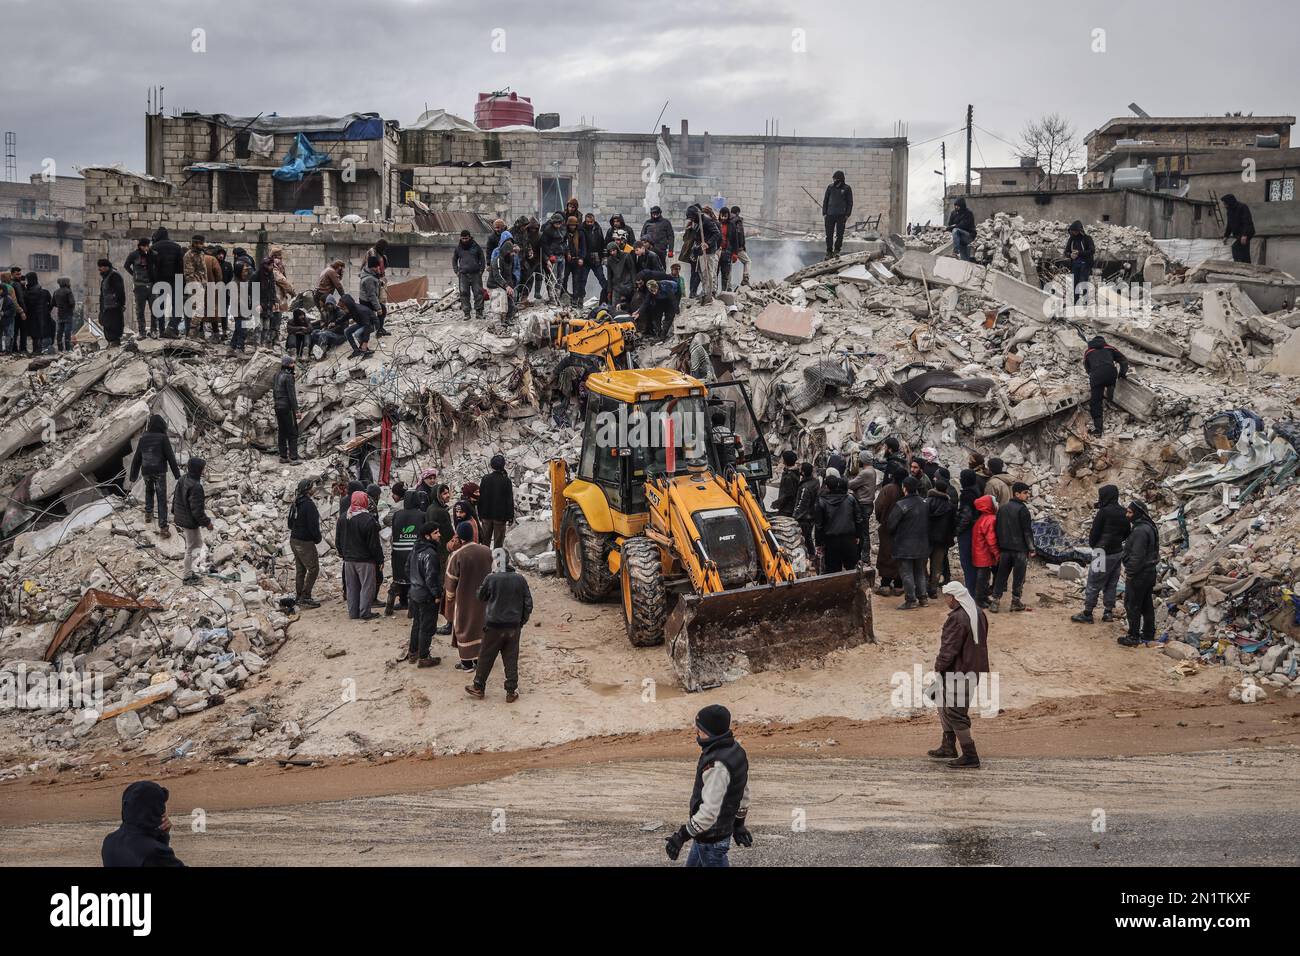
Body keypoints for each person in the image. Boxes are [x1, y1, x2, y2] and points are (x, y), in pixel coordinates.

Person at [663, 704, 752, 868]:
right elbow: (743, 792)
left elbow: (709, 813)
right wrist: (739, 823)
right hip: (706, 835)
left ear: (710, 732)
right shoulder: (735, 750)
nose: (696, 732)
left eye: (700, 728)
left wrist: (681, 836)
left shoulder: (717, 766)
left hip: (711, 840)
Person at [928, 582, 990, 769]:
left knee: (955, 712)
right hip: (972, 669)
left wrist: (938, 667)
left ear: (954, 598)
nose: (945, 600)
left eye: (946, 597)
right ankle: (948, 746)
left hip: (958, 672)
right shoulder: (978, 613)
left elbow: (949, 648)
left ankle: (970, 755)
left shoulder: (957, 618)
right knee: (942, 701)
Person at [466, 547, 533, 701]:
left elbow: (481, 597)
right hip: (513, 626)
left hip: (493, 626)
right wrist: (521, 621)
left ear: (496, 562)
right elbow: (528, 603)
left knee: (486, 656)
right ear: (508, 561)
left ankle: (478, 687)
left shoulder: (491, 578)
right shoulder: (520, 579)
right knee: (511, 658)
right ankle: (511, 692)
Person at [1070, 484, 1130, 625]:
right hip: (1117, 552)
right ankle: (1108, 612)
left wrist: (1095, 546)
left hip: (1101, 552)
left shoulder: (1103, 512)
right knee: (1111, 583)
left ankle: (1088, 613)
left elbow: (1094, 534)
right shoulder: (1123, 512)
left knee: (1094, 583)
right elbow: (1127, 532)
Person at [101, 781, 184, 867]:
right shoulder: (154, 852)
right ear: (155, 809)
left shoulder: (109, 841)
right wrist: (162, 838)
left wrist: (161, 835)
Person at [445, 520, 492, 671]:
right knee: (481, 627)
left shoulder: (457, 555)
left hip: (464, 599)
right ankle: (480, 661)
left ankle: (466, 663)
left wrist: (450, 598)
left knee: (464, 628)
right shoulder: (486, 551)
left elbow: (451, 581)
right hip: (485, 599)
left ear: (460, 537)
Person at [129, 414, 181, 537]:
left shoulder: (143, 438)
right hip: (159, 471)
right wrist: (177, 475)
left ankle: (148, 514)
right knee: (161, 498)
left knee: (149, 491)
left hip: (146, 471)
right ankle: (163, 527)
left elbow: (137, 458)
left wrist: (133, 476)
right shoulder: (162, 438)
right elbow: (170, 457)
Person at [337, 490, 383, 619]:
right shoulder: (368, 520)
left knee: (352, 587)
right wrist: (379, 560)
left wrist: (343, 553)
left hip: (348, 560)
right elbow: (374, 544)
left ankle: (353, 612)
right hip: (365, 560)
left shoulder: (343, 517)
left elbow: (338, 539)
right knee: (367, 586)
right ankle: (365, 612)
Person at [1119, 500, 1159, 647]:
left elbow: (1137, 556)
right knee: (1146, 604)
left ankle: (1133, 636)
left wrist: (1130, 573)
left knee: (1132, 604)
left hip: (1139, 574)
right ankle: (1148, 633)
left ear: (1137, 514)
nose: (1127, 515)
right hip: (1149, 573)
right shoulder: (1148, 527)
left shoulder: (1140, 531)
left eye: (1130, 512)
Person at [989, 482, 1034, 613]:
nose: (1027, 495)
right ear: (1016, 494)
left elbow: (997, 529)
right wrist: (1031, 548)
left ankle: (995, 602)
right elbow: (1027, 531)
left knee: (1001, 576)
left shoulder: (1002, 508)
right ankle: (1015, 601)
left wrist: (999, 545)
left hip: (1005, 549)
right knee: (1019, 576)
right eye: (1025, 493)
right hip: (1020, 550)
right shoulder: (1023, 509)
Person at [404, 520, 444, 667]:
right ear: (427, 536)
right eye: (436, 533)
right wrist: (437, 595)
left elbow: (407, 568)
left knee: (417, 624)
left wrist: (415, 583)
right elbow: (431, 577)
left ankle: (413, 652)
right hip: (426, 596)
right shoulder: (430, 554)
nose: (439, 535)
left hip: (414, 593)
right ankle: (424, 657)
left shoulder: (416, 548)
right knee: (427, 627)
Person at [888, 475, 931, 610]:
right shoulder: (925, 503)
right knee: (920, 572)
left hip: (904, 545)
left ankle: (911, 600)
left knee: (907, 573)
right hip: (923, 544)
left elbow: (890, 525)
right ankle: (923, 598)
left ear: (904, 488)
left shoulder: (901, 505)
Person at [172, 457, 212, 584]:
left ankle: (191, 570)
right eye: (203, 469)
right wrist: (207, 523)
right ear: (198, 470)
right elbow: (197, 511)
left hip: (183, 517)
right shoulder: (196, 486)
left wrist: (175, 512)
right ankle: (187, 576)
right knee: (191, 548)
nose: (204, 471)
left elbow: (175, 497)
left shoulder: (184, 478)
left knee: (198, 544)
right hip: (189, 521)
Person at [814, 472, 862, 573]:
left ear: (827, 487)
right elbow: (858, 518)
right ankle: (852, 588)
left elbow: (819, 525)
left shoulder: (822, 501)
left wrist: (818, 543)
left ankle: (838, 588)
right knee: (852, 568)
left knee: (833, 570)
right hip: (849, 538)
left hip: (831, 541)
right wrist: (858, 535)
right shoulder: (850, 498)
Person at [386, 490, 423, 616]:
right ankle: (411, 611)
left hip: (397, 552)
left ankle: (391, 603)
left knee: (398, 579)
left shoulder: (397, 514)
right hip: (414, 552)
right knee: (414, 581)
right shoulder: (422, 515)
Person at [1083, 335, 1128, 436]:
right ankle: (1110, 397)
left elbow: (1087, 368)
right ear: (1103, 341)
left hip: (1096, 376)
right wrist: (1122, 374)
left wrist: (1093, 374)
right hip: (1110, 373)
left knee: (1095, 402)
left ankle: (1098, 430)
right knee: (1110, 381)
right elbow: (1123, 360)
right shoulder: (1109, 348)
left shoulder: (1088, 352)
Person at [287, 478, 322, 609]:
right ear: (308, 489)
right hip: (304, 542)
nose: (315, 489)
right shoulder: (309, 505)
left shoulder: (295, 502)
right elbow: (314, 526)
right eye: (313, 486)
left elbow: (289, 524)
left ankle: (299, 595)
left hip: (294, 539)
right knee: (313, 569)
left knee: (301, 569)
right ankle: (306, 596)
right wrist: (317, 539)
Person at [151, 226, 186, 338]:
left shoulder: (154, 247)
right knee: (177, 305)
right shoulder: (176, 247)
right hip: (175, 279)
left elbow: (152, 266)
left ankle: (162, 331)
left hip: (160, 280)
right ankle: (172, 327)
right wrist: (182, 281)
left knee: (160, 305)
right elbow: (181, 266)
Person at [873, 465, 903, 595]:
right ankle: (899, 585)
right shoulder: (906, 490)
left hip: (886, 528)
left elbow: (878, 507)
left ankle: (885, 585)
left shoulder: (887, 489)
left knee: (886, 553)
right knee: (900, 555)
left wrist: (882, 520)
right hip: (902, 529)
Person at [257, 246, 295, 348]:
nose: (280, 260)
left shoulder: (277, 268)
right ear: (273, 257)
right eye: (279, 257)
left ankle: (274, 339)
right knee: (275, 320)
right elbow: (283, 281)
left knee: (276, 320)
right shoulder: (273, 269)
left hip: (277, 298)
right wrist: (292, 291)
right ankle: (270, 341)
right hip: (275, 299)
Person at [926, 478, 957, 599]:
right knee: (937, 566)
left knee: (922, 564)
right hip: (942, 540)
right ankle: (933, 589)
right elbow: (953, 524)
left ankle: (923, 587)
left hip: (927, 538)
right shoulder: (950, 505)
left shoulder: (926, 502)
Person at [685, 206, 722, 304]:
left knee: (708, 274)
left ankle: (709, 296)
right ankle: (705, 293)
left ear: (696, 215)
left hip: (709, 252)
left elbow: (717, 234)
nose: (691, 219)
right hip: (700, 252)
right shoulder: (696, 223)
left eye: (692, 217)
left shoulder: (707, 221)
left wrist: (708, 243)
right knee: (702, 274)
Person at [478, 454, 515, 549]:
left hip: (486, 514)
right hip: (500, 516)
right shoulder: (506, 480)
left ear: (491, 465)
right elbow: (509, 500)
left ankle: (485, 561)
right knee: (498, 543)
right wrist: (510, 516)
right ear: (503, 465)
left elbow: (480, 497)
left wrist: (480, 513)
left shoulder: (485, 479)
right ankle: (498, 562)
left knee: (485, 541)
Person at [846, 451, 876, 566]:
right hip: (868, 504)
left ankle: (864, 557)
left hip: (862, 504)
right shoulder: (872, 470)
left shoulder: (865, 473)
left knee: (862, 532)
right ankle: (864, 556)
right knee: (864, 532)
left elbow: (851, 485)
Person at [954, 469, 981, 592]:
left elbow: (966, 516)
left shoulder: (967, 495)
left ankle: (971, 590)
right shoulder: (976, 490)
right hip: (975, 529)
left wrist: (957, 530)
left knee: (967, 562)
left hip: (967, 532)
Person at [970, 494, 999, 607]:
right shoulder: (990, 519)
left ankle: (983, 598)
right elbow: (991, 540)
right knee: (983, 579)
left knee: (984, 577)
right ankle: (979, 600)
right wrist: (997, 554)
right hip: (985, 554)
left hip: (979, 553)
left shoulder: (982, 518)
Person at [451, 230, 486, 319]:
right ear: (460, 238)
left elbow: (482, 259)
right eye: (463, 238)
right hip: (463, 275)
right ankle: (467, 313)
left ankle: (479, 312)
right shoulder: (458, 248)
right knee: (464, 293)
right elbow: (454, 260)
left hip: (475, 274)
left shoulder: (476, 247)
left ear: (469, 237)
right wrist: (457, 271)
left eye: (466, 238)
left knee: (478, 293)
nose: (465, 240)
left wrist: (481, 271)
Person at [272, 356, 299, 463]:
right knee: (292, 432)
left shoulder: (276, 375)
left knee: (282, 431)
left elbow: (274, 392)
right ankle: (294, 458)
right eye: (292, 364)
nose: (294, 365)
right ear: (288, 365)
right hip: (287, 407)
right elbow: (292, 395)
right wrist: (296, 410)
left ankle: (283, 456)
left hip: (278, 406)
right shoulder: (288, 377)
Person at [124, 236, 153, 337]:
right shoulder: (133, 255)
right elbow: (126, 265)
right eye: (144, 246)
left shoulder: (152, 254)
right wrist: (134, 275)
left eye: (147, 246)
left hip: (151, 285)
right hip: (139, 286)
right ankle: (142, 332)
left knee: (154, 309)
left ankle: (153, 331)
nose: (146, 248)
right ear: (140, 246)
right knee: (140, 310)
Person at [822, 170, 853, 257]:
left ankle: (837, 250)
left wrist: (847, 215)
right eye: (834, 179)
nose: (834, 181)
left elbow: (850, 202)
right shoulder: (830, 187)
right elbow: (825, 201)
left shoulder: (847, 188)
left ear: (840, 179)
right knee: (829, 235)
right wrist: (824, 213)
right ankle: (829, 251)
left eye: (836, 179)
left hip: (841, 216)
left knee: (839, 235)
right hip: (829, 215)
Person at [792, 461, 820, 557]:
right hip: (812, 515)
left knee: (805, 537)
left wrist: (795, 516)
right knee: (808, 537)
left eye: (800, 469)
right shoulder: (815, 482)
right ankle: (811, 554)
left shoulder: (805, 487)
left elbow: (802, 503)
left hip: (805, 517)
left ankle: (809, 555)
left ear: (803, 472)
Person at [97, 258, 127, 347]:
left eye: (101, 267)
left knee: (114, 325)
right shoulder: (105, 278)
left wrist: (121, 304)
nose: (99, 269)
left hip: (114, 306)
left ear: (106, 267)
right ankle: (111, 342)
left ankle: (115, 342)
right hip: (106, 307)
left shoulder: (114, 276)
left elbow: (120, 291)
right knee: (106, 324)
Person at [1064, 220, 1095, 304]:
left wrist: (1079, 253)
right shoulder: (1071, 239)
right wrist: (1070, 255)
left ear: (1079, 230)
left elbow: (1092, 251)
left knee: (1083, 282)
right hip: (1075, 264)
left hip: (1085, 264)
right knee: (1075, 283)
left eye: (1075, 231)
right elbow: (1066, 251)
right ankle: (1076, 301)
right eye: (1072, 231)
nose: (1073, 232)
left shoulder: (1087, 239)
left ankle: (1085, 302)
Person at [339, 293, 376, 358]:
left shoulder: (361, 311)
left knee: (357, 334)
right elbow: (345, 317)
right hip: (362, 323)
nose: (343, 310)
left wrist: (365, 342)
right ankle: (356, 351)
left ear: (348, 305)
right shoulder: (351, 309)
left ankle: (366, 352)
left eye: (343, 308)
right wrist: (335, 323)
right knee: (347, 331)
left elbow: (367, 326)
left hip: (373, 324)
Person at [1221, 194, 1255, 264]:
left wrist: (1245, 235)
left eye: (1225, 204)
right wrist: (1226, 236)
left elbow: (1247, 221)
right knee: (1244, 252)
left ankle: (1238, 265)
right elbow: (1229, 225)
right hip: (1239, 234)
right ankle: (1246, 266)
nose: (1224, 206)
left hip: (1247, 232)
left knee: (1235, 247)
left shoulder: (1242, 207)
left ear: (1229, 202)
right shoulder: (1229, 211)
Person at [772, 450, 800, 517]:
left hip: (787, 509)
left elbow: (788, 494)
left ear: (785, 461)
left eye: (782, 458)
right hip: (788, 507)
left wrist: (777, 503)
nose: (781, 459)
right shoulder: (792, 472)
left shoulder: (789, 476)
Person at [947, 197, 976, 262]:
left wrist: (953, 226)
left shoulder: (968, 213)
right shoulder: (953, 213)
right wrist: (952, 226)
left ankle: (955, 253)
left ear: (962, 206)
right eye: (955, 206)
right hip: (960, 237)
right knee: (964, 261)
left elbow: (963, 225)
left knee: (955, 230)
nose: (956, 207)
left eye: (958, 206)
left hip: (969, 236)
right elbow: (949, 225)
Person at [729, 206, 751, 286]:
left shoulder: (727, 220)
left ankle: (728, 286)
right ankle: (745, 279)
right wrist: (740, 247)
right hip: (737, 248)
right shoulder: (738, 221)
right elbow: (739, 235)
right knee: (747, 261)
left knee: (728, 266)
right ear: (738, 212)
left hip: (728, 248)